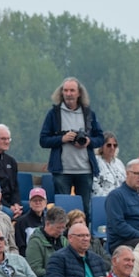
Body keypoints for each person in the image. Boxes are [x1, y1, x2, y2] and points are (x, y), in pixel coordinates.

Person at [39, 77, 104, 212]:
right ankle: (63, 233)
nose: (69, 94)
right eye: (65, 90)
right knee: (62, 210)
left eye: (72, 90)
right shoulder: (53, 114)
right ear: (61, 93)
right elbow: (43, 140)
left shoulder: (89, 114)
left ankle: (83, 233)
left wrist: (88, 141)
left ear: (79, 93)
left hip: (85, 170)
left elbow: (100, 138)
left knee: (85, 209)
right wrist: (62, 139)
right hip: (62, 171)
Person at [43, 223, 107, 277]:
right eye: (81, 236)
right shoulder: (58, 258)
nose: (85, 238)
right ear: (70, 238)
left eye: (87, 235)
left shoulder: (97, 259)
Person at [26, 205, 68, 277]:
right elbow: (35, 270)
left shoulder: (64, 241)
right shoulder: (35, 242)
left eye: (63, 228)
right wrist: (58, 272)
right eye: (58, 227)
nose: (61, 231)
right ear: (47, 223)